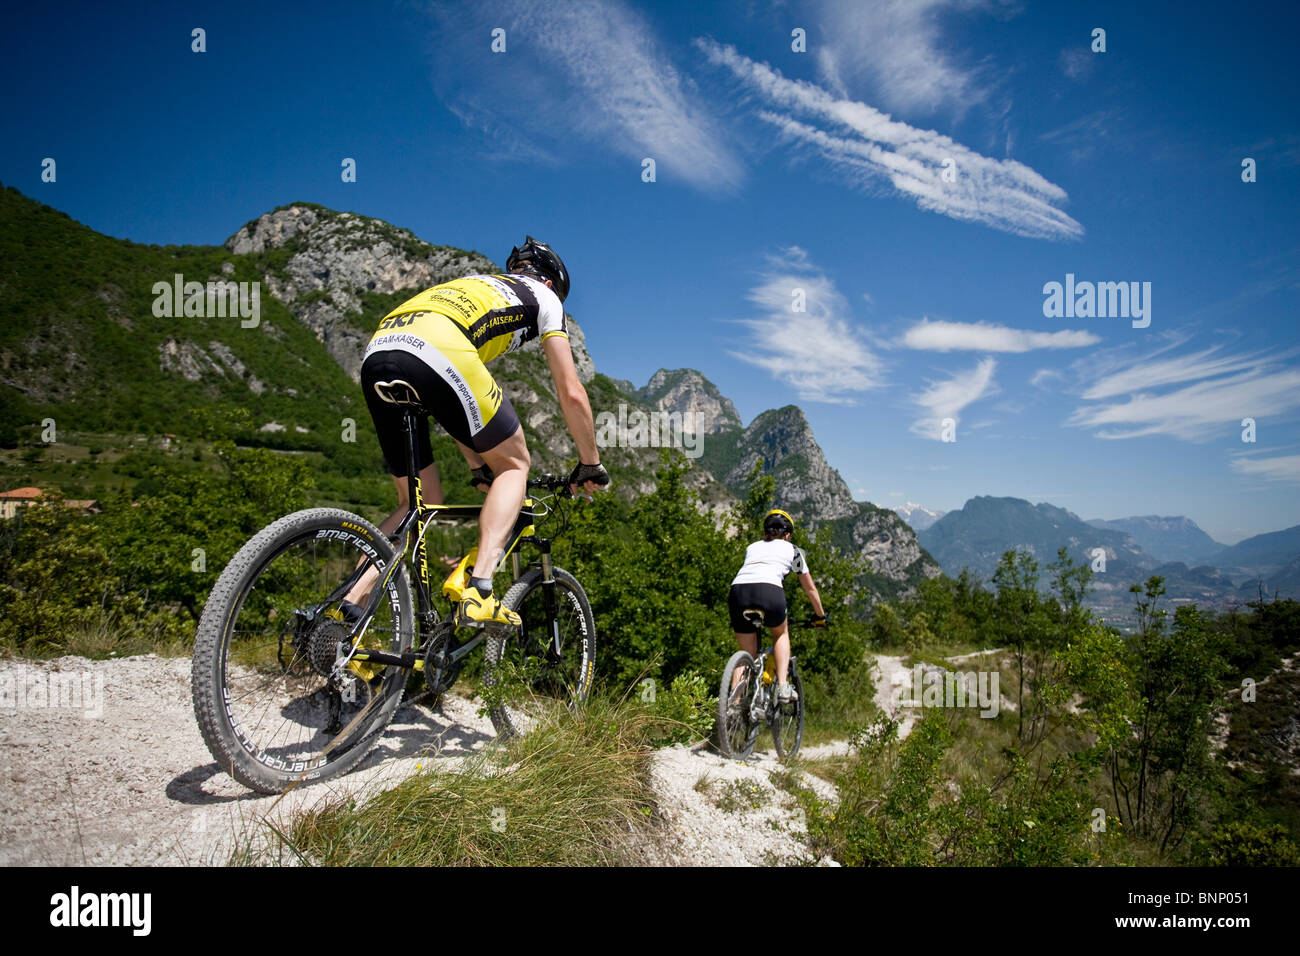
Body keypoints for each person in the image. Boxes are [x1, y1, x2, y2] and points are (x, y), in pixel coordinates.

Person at [345, 236, 609, 627]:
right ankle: (480, 591)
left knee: (416, 503)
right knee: (515, 464)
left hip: (381, 350)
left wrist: (478, 465)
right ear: (552, 284)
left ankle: (345, 609)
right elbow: (571, 392)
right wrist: (590, 463)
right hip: (439, 349)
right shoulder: (545, 298)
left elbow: (455, 410)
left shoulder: (476, 286)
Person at [727, 508, 826, 703]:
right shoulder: (794, 551)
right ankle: (782, 687)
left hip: (738, 591)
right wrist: (820, 616)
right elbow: (810, 589)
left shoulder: (752, 547)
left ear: (766, 532)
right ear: (787, 534)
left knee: (747, 654)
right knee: (780, 633)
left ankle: (732, 706)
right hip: (770, 592)